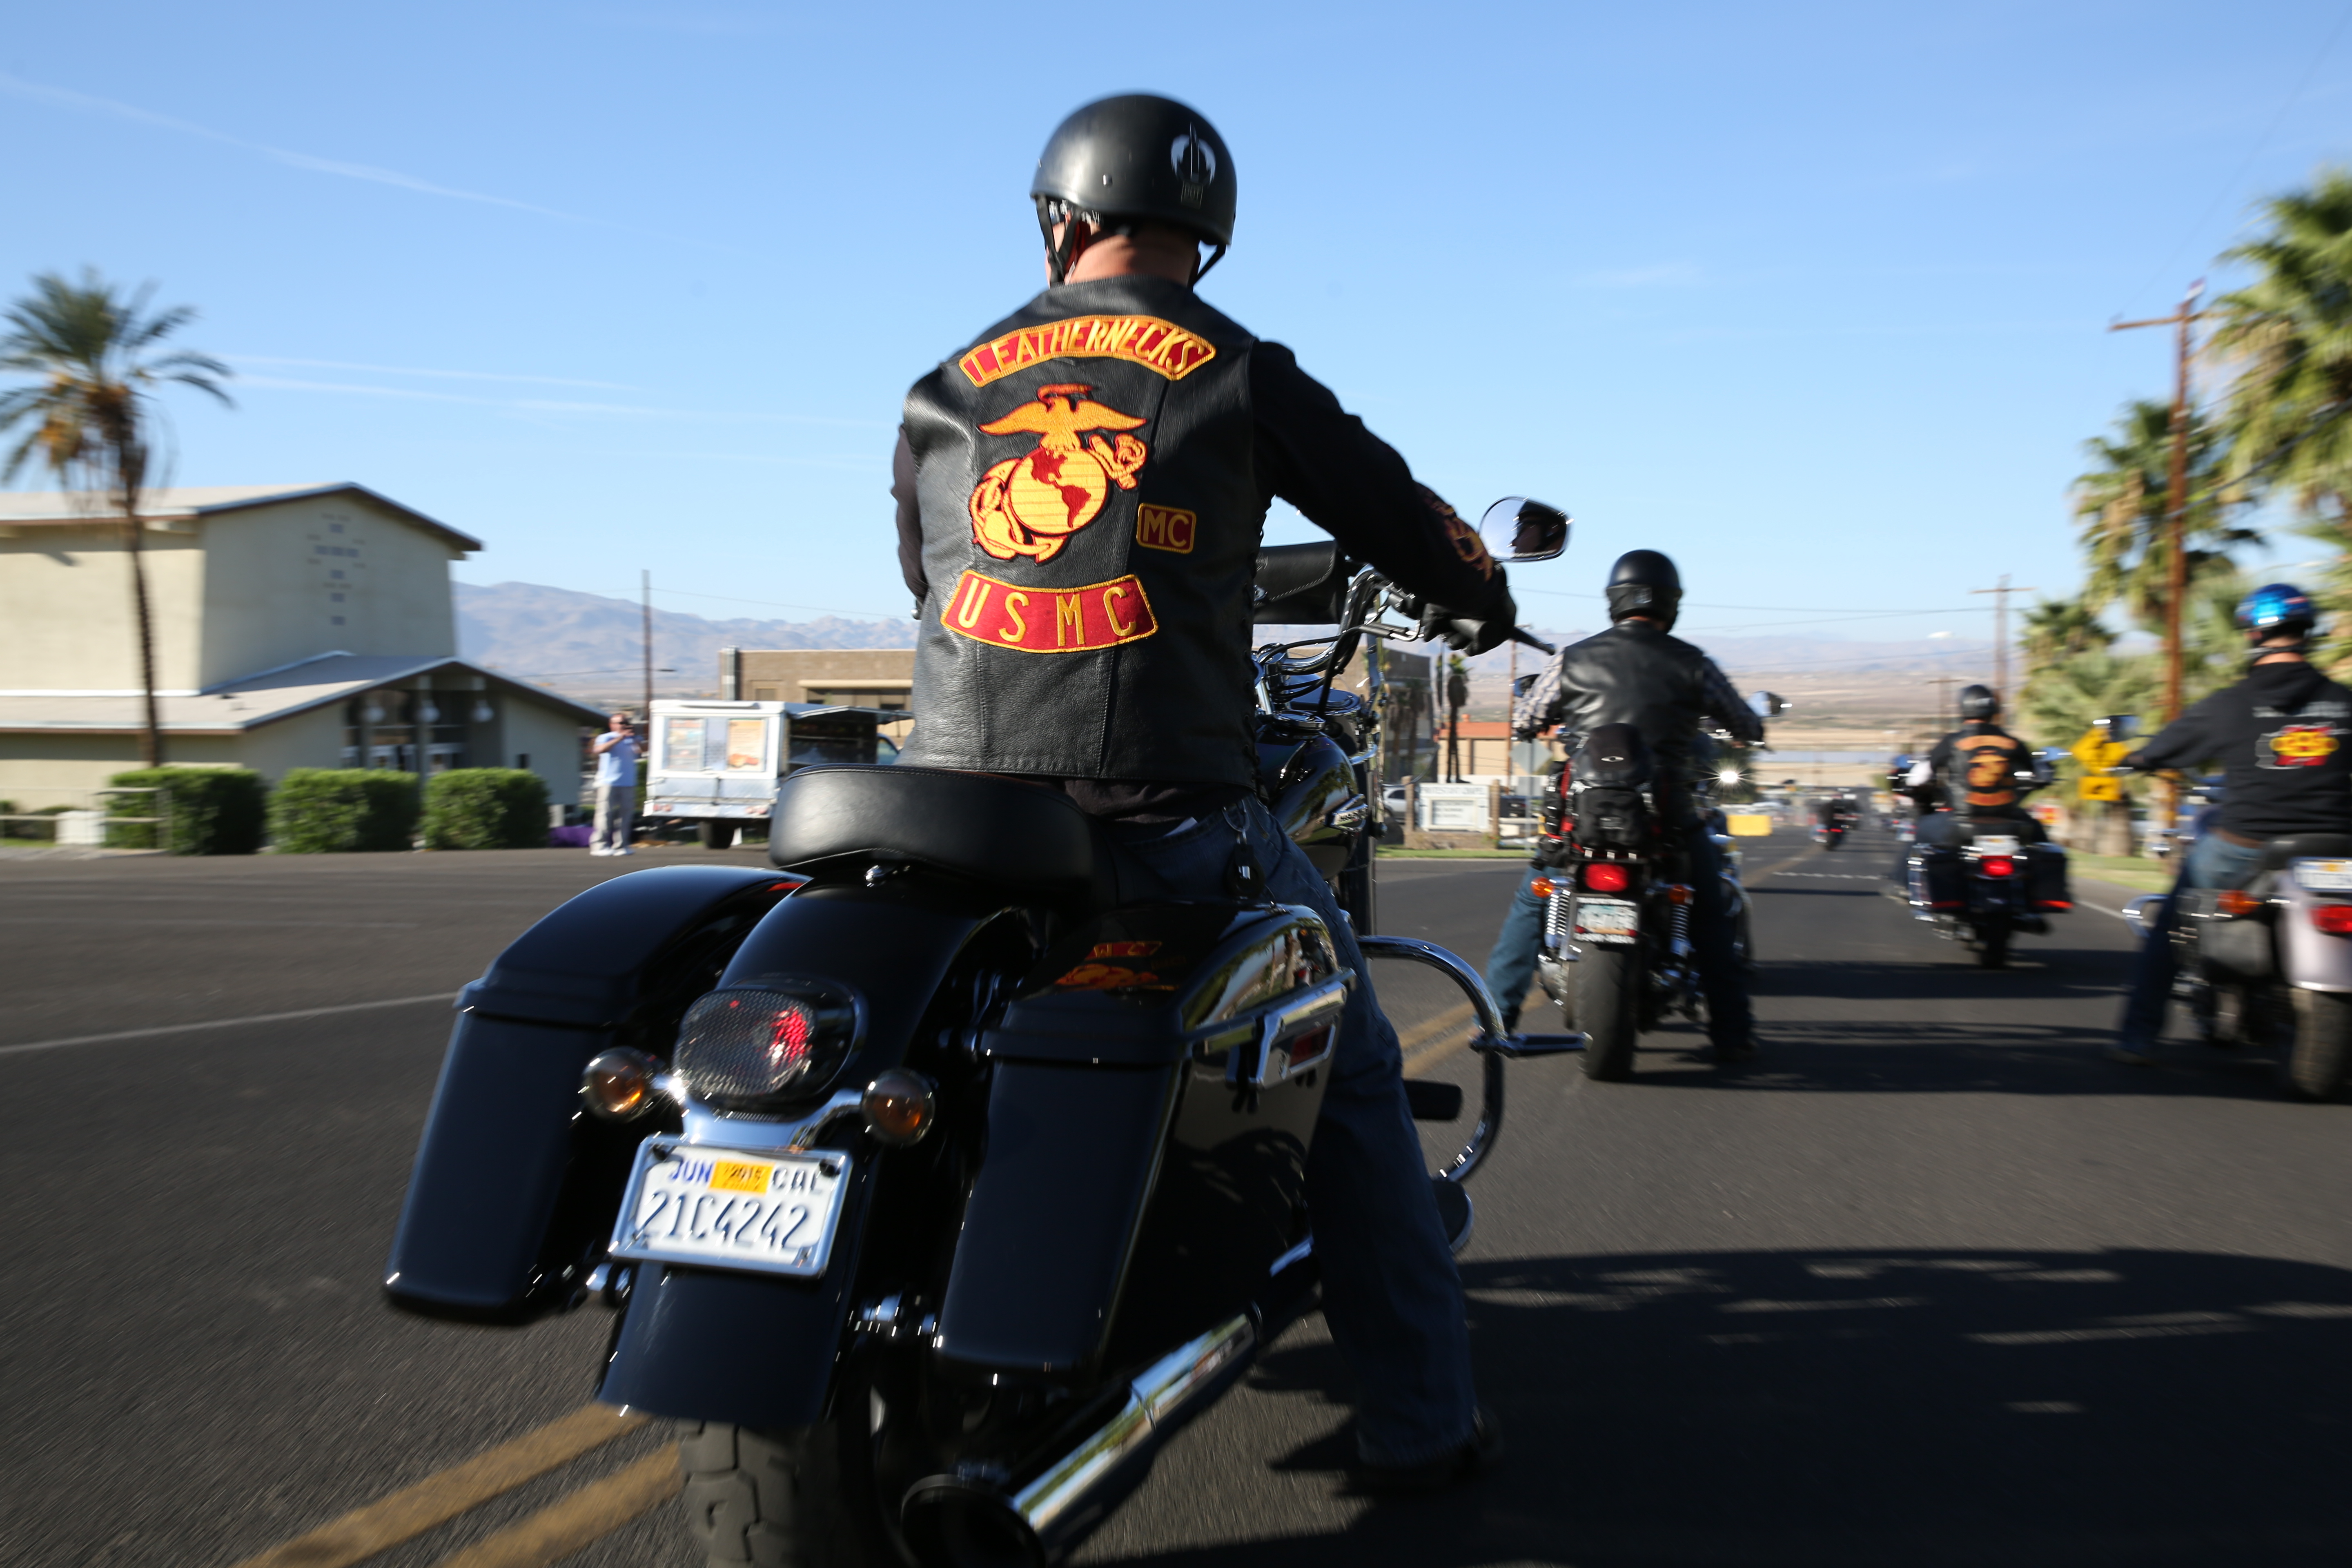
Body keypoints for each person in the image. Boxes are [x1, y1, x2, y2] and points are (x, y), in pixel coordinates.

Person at [890, 94, 1514, 1490]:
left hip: (950, 820)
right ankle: (1424, 1425)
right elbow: (1398, 517)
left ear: (1062, 217)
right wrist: (1481, 592)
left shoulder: (946, 382)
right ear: (1205, 237)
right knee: (1350, 1061)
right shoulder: (1235, 368)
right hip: (1155, 812)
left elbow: (929, 581)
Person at [1487, 549, 1764, 1060]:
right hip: (1669, 822)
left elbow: (1525, 719)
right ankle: (1732, 1032)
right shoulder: (1694, 664)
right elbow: (1747, 724)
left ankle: (1495, 1019)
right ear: (1671, 603)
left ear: (1614, 600)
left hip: (1580, 817)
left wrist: (1555, 722)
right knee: (1710, 915)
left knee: (1533, 902)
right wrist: (1746, 732)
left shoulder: (1572, 659)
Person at [2109, 584, 2352, 1064]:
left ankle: (2137, 1037)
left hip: (2245, 843)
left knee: (2172, 924)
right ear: (2307, 632)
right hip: (2336, 847)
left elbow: (2165, 748)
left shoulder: (2231, 703)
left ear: (2251, 635)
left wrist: (2139, 758)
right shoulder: (2343, 701)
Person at [589, 713, 638, 857]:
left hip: (628, 782)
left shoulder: (632, 739)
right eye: (621, 723)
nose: (624, 725)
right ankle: (600, 845)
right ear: (612, 725)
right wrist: (619, 738)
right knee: (605, 814)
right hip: (608, 782)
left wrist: (634, 738)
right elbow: (599, 750)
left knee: (626, 815)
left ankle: (621, 845)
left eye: (626, 723)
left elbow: (642, 750)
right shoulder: (606, 737)